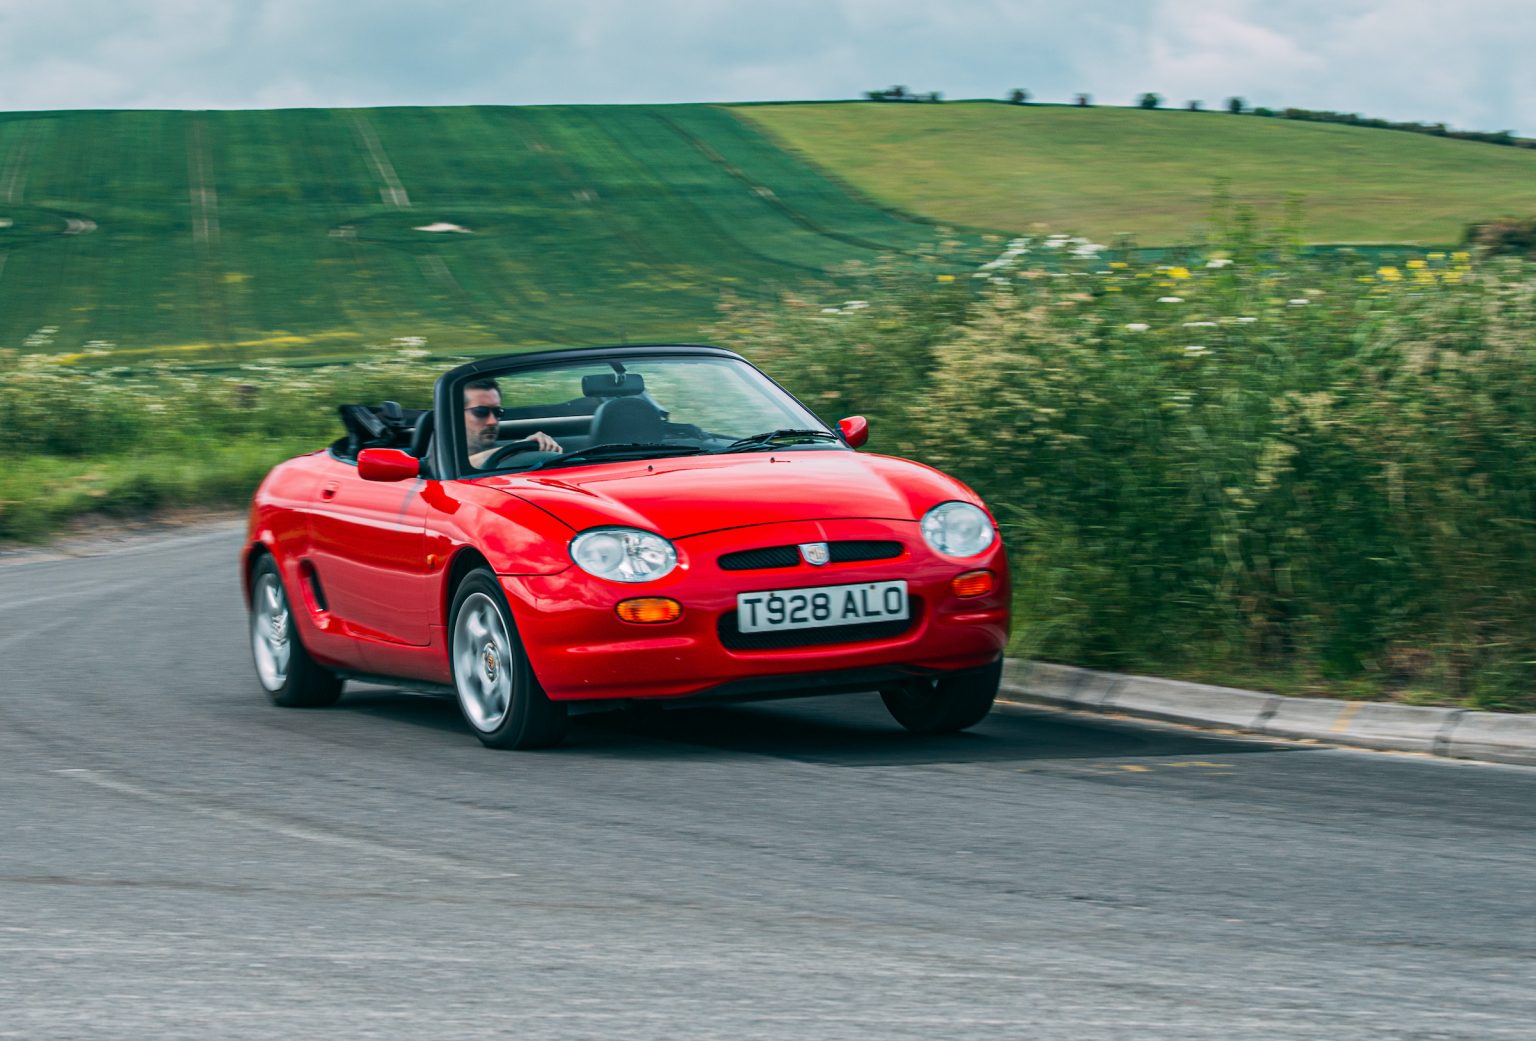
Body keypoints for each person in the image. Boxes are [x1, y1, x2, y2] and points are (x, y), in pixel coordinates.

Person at [464, 377, 561, 468]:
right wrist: (517, 447)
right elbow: (462, 466)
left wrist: (544, 446)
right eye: (481, 412)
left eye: (497, 412)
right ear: (456, 416)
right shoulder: (450, 457)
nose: (492, 421)